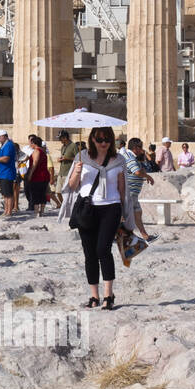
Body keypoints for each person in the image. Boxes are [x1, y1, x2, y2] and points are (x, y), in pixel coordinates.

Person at [64, 126, 126, 310]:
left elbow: (122, 189)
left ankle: (108, 294)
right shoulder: (82, 157)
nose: (104, 143)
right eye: (99, 139)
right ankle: (94, 296)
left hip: (111, 208)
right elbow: (72, 186)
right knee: (89, 253)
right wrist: (76, 171)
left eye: (107, 139)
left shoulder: (119, 160)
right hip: (87, 209)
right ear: (92, 139)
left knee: (103, 250)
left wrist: (124, 213)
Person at [118, 137, 155, 242]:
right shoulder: (129, 157)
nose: (142, 150)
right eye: (141, 148)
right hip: (128, 191)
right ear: (135, 148)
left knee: (137, 213)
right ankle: (126, 237)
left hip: (132, 193)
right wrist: (148, 177)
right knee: (127, 216)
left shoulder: (132, 157)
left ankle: (145, 236)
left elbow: (138, 169)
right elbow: (137, 172)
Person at [0, 130, 18, 217]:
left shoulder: (8, 145)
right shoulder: (3, 145)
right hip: (2, 173)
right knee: (5, 193)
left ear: (4, 136)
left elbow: (6, 159)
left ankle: (9, 211)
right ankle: (6, 210)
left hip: (7, 172)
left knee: (8, 194)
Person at [25, 134, 52, 217]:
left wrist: (30, 174)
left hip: (38, 175)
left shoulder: (36, 151)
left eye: (31, 143)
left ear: (34, 143)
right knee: (42, 193)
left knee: (35, 193)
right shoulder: (43, 151)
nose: (30, 145)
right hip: (44, 175)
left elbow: (35, 163)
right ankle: (42, 211)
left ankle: (37, 212)